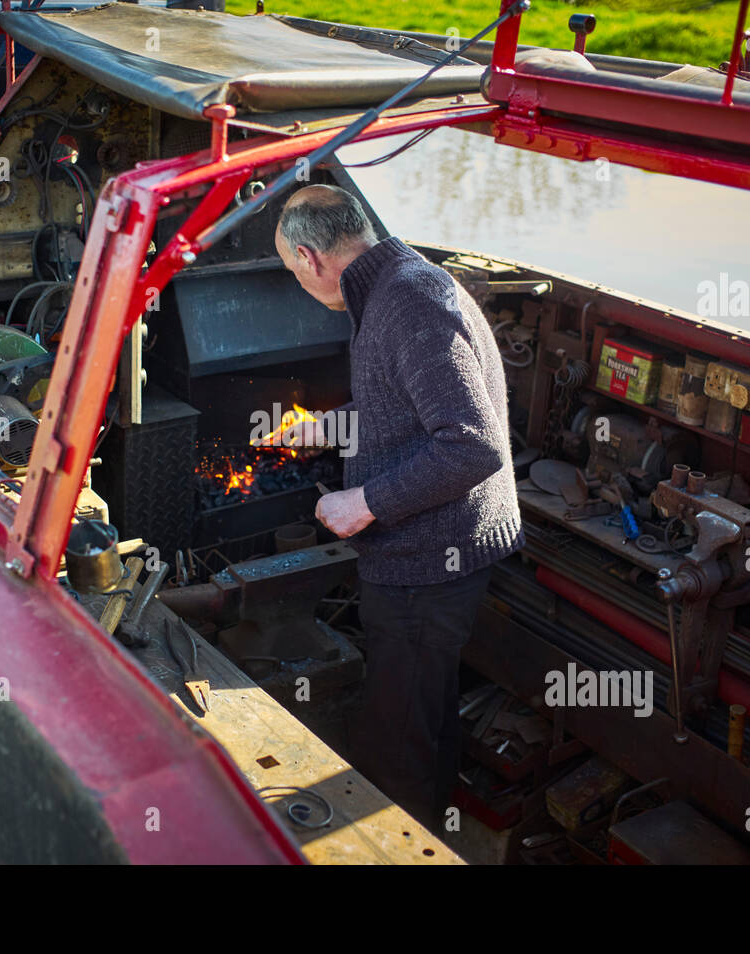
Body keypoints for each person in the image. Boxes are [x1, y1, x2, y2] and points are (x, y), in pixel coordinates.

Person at [272, 183, 523, 831]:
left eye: (290, 270)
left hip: (427, 565)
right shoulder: (393, 285)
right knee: (423, 711)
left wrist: (365, 502)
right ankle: (435, 823)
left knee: (394, 743)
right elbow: (404, 409)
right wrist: (327, 429)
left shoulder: (409, 304)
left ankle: (399, 840)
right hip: (429, 555)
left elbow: (472, 448)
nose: (296, 282)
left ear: (310, 257)